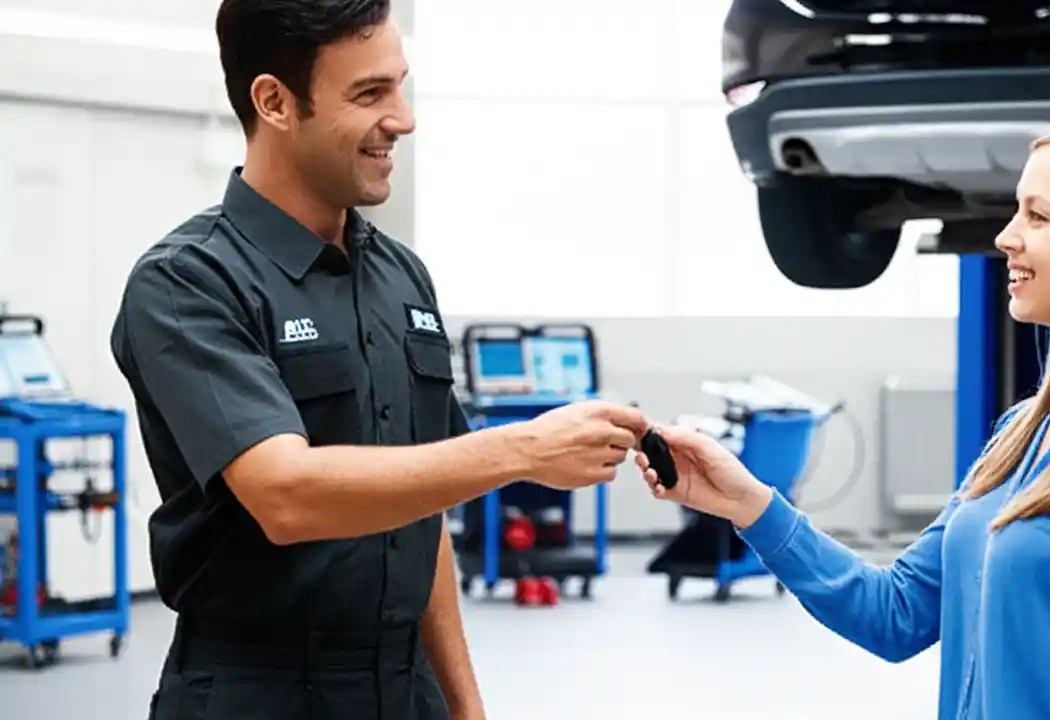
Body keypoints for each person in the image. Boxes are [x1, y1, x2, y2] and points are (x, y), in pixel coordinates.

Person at [109, 2, 648, 718]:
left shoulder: (402, 278)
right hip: (257, 691)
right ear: (274, 101)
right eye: (370, 94)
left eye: (401, 86)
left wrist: (465, 706)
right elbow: (285, 495)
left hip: (404, 688)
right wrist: (523, 448)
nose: (403, 118)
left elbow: (421, 517)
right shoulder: (188, 283)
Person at [635, 113, 1050, 719]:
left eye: (1039, 215)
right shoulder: (1021, 433)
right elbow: (894, 614)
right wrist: (748, 504)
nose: (1006, 236)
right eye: (1016, 210)